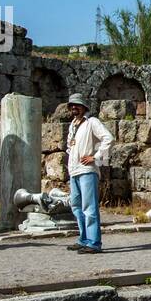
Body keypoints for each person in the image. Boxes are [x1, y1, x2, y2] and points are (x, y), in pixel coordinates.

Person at [65, 93, 114, 253]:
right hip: (74, 171)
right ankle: (84, 239)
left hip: (87, 171)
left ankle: (94, 242)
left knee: (89, 208)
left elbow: (108, 138)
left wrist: (96, 157)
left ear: (84, 107)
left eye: (77, 105)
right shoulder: (72, 125)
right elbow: (70, 147)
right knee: (76, 207)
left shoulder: (92, 122)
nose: (74, 107)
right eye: (72, 105)